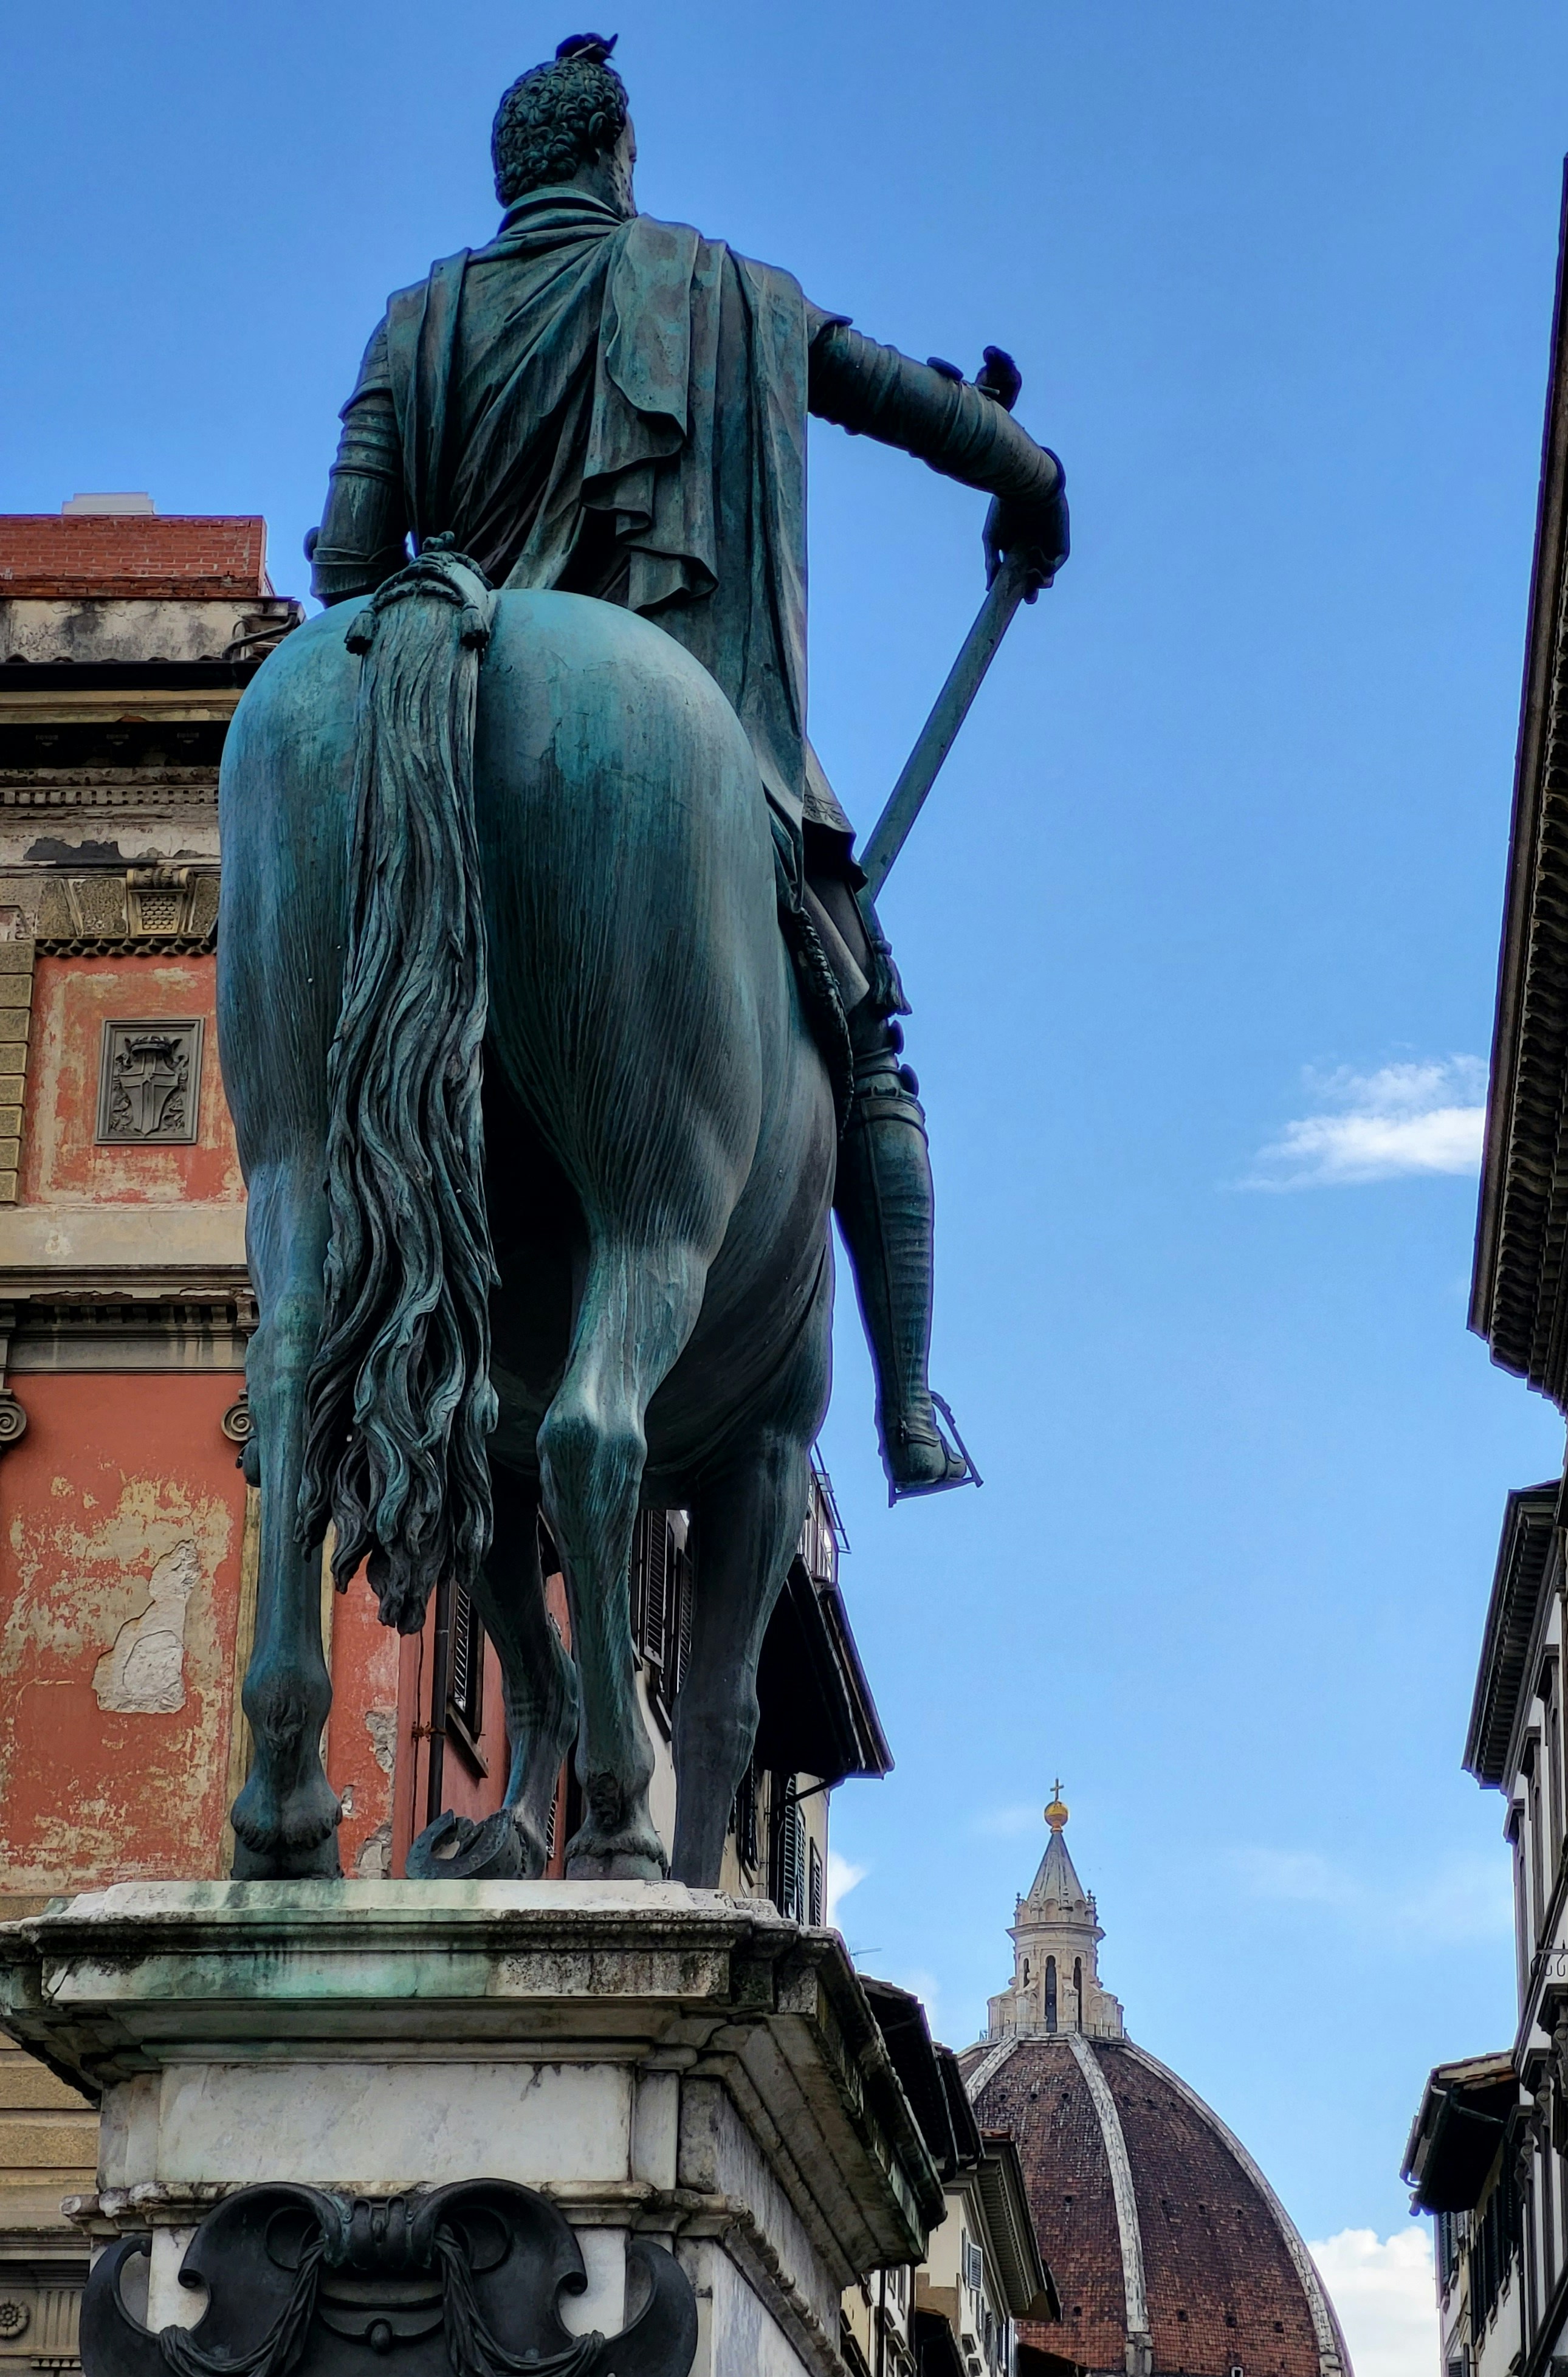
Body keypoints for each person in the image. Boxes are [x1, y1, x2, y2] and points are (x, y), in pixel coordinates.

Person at [306, 34, 1069, 1498]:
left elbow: (350, 560)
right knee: (872, 1044)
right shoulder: (735, 295)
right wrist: (1029, 482)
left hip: (439, 720)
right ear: (617, 161)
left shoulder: (413, 324)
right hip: (701, 732)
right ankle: (909, 1403)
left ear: (513, 172)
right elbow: (905, 400)